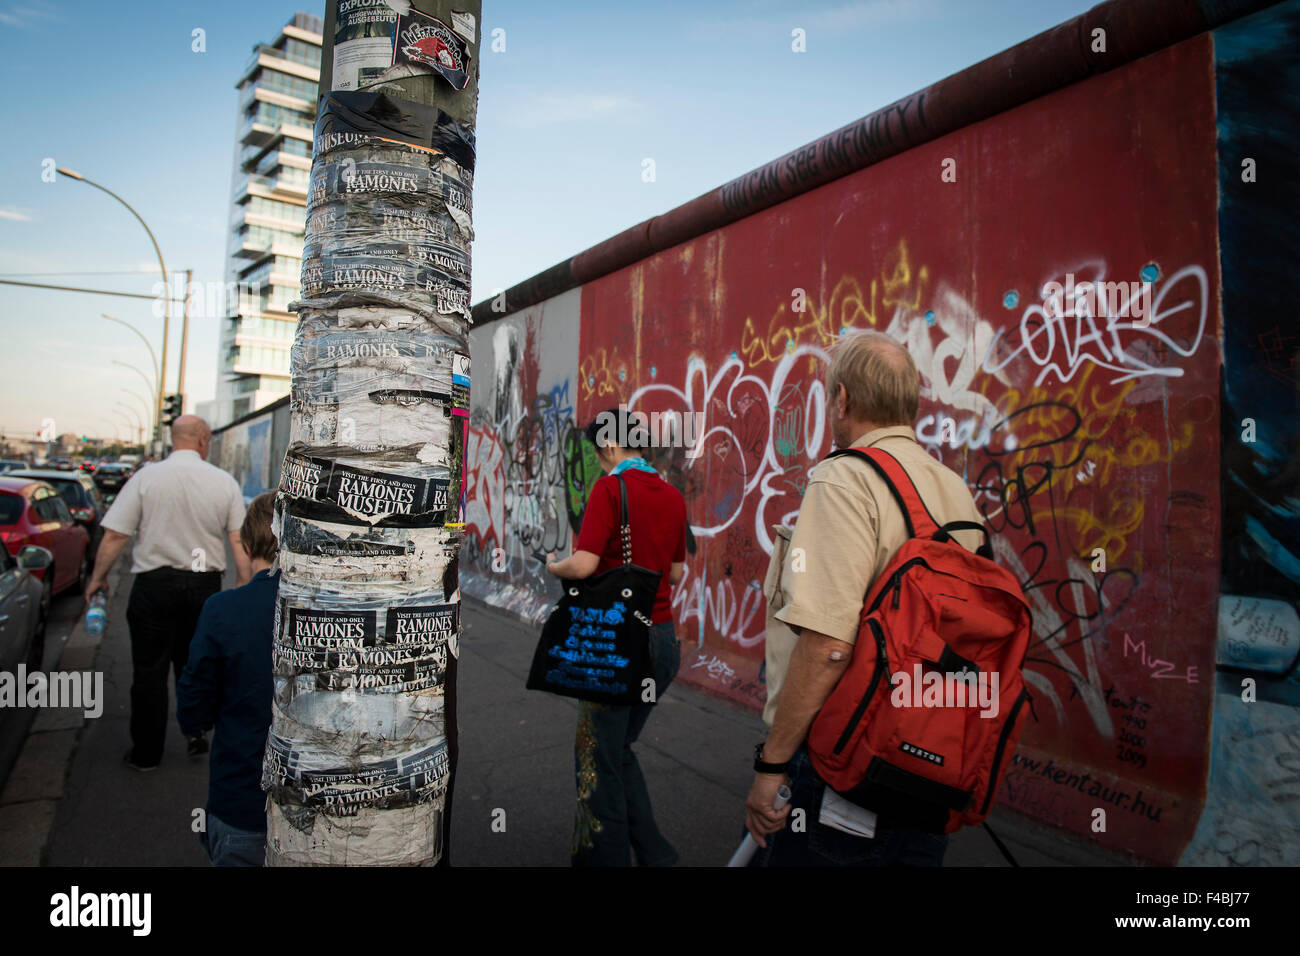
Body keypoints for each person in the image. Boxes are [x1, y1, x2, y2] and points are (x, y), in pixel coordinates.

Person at [746, 330, 985, 867]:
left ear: (843, 398)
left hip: (848, 754)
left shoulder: (845, 479)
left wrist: (772, 766)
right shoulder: (953, 487)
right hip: (930, 752)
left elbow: (831, 643)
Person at [546, 407, 687, 866]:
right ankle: (656, 854)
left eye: (598, 454)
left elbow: (584, 565)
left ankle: (601, 859)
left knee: (595, 757)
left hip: (617, 645)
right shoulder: (671, 494)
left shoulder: (610, 488)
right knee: (618, 749)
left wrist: (554, 565)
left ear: (608, 445)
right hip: (663, 642)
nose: (600, 463)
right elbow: (679, 570)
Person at [86, 415, 250, 771]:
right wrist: (243, 587)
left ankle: (146, 754)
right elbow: (239, 541)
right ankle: (196, 733)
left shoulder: (146, 477)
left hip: (155, 587)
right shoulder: (224, 482)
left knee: (149, 670)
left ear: (174, 439)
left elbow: (115, 535)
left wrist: (97, 578)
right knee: (197, 663)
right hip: (204, 587)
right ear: (204, 439)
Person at [177, 491, 279, 866]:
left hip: (243, 802)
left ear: (248, 543)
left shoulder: (223, 610)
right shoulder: (329, 609)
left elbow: (194, 706)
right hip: (324, 812)